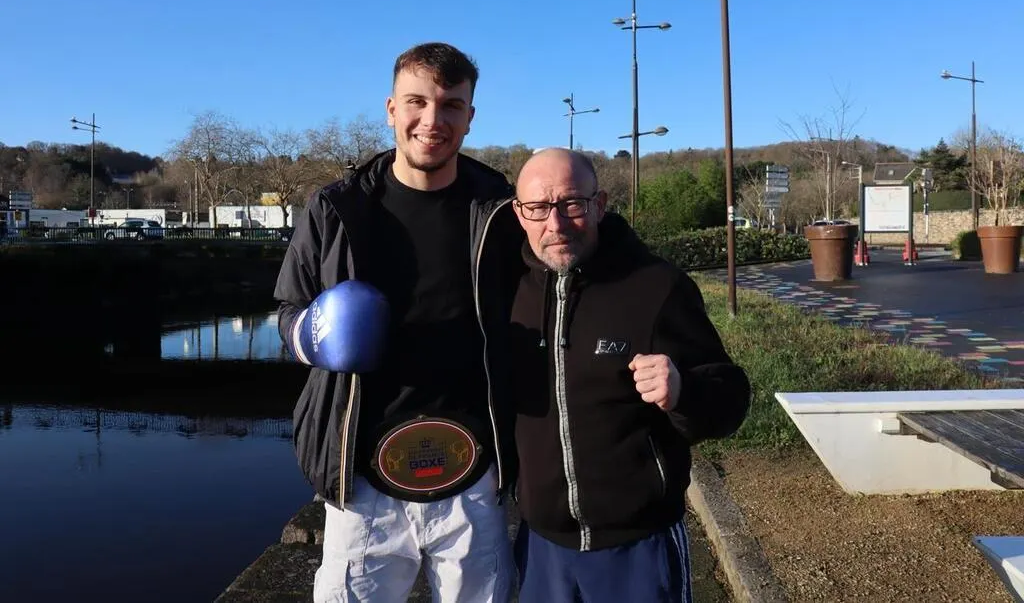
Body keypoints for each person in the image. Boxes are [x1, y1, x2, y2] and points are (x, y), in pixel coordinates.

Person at [274, 42, 523, 603]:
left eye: (451, 105)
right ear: (391, 109)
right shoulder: (335, 208)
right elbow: (289, 311)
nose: (432, 121)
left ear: (470, 117)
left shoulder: (502, 210)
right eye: (417, 101)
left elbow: (571, 246)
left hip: (472, 471)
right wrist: (318, 337)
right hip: (363, 476)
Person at [507, 148, 751, 603]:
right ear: (520, 213)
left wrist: (683, 391)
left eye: (571, 204)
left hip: (638, 547)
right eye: (538, 208)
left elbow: (731, 397)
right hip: (541, 547)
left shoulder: (656, 287)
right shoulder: (508, 293)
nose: (554, 225)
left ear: (599, 205)